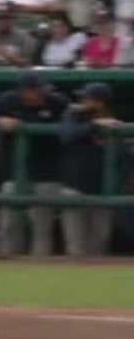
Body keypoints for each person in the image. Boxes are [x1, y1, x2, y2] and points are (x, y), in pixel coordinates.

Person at [0, 74, 70, 257]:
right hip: (14, 170)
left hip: (47, 171)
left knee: (42, 225)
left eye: (42, 89)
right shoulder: (9, 100)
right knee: (9, 223)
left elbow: (72, 118)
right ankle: (7, 261)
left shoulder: (56, 102)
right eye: (36, 90)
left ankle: (40, 264)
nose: (41, 93)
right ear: (25, 91)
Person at [60, 82, 121, 257]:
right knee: (75, 246)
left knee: (99, 244)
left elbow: (122, 156)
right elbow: (67, 135)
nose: (83, 101)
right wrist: (94, 124)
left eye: (87, 98)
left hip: (104, 189)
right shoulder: (74, 115)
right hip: (75, 186)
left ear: (100, 102)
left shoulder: (115, 119)